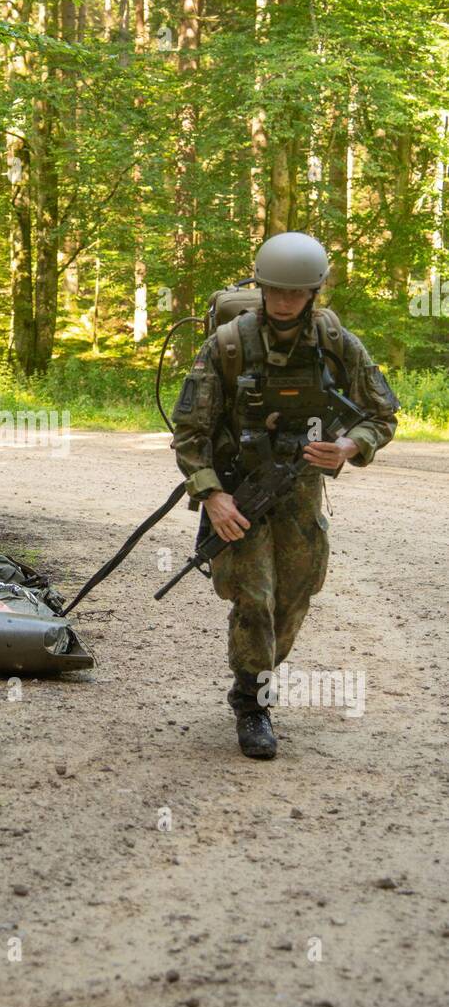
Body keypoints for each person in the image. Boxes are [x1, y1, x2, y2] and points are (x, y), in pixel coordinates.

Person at [170, 232, 399, 759]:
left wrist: (348, 445)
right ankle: (252, 704)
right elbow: (190, 433)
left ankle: (258, 681)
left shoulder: (336, 342)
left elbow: (382, 414)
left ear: (315, 292)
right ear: (262, 287)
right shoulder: (228, 343)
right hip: (241, 492)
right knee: (254, 599)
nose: (284, 303)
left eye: (295, 294)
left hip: (301, 496)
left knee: (293, 600)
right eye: (274, 292)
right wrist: (212, 496)